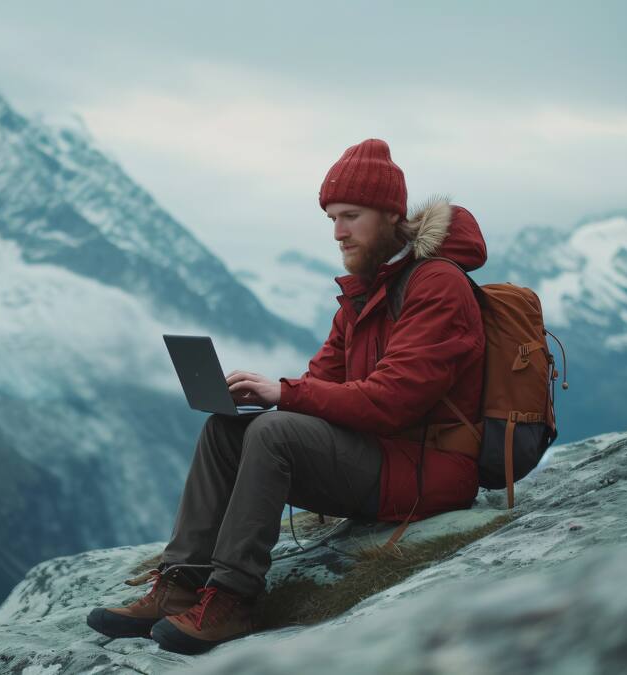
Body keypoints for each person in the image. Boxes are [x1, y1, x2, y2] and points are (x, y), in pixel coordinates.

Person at [87, 138, 487, 655]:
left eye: (351, 216)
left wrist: (284, 394)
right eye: (332, 219)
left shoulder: (438, 285)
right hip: (381, 457)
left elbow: (394, 401)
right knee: (227, 429)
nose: (338, 232)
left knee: (276, 432)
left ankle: (232, 599)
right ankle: (180, 582)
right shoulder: (363, 295)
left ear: (392, 215)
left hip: (430, 471)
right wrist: (269, 397)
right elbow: (322, 382)